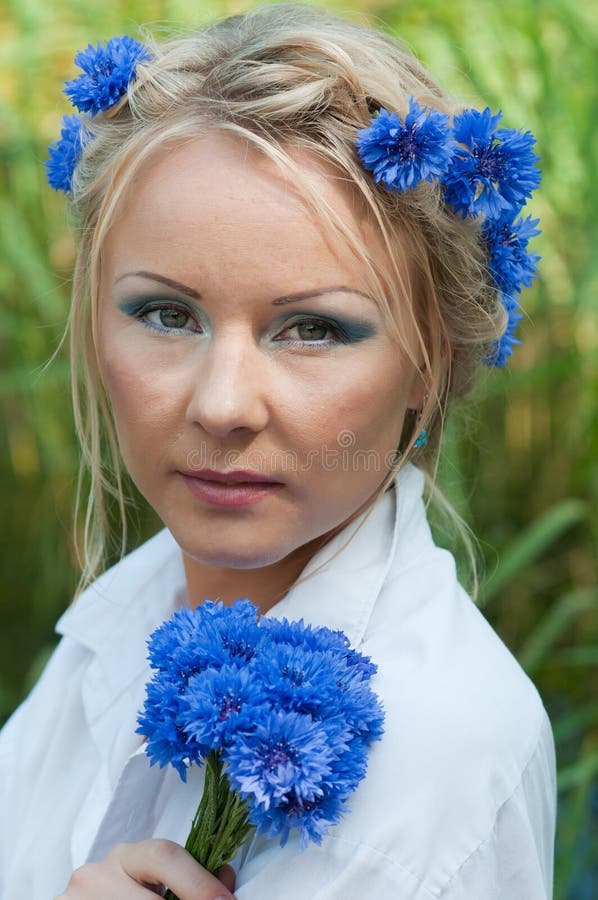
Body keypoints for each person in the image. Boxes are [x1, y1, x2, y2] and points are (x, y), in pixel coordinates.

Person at [0, 4, 556, 898]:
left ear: (433, 361)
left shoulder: (432, 765)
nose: (222, 406)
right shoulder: (122, 623)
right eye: (166, 314)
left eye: (313, 328)